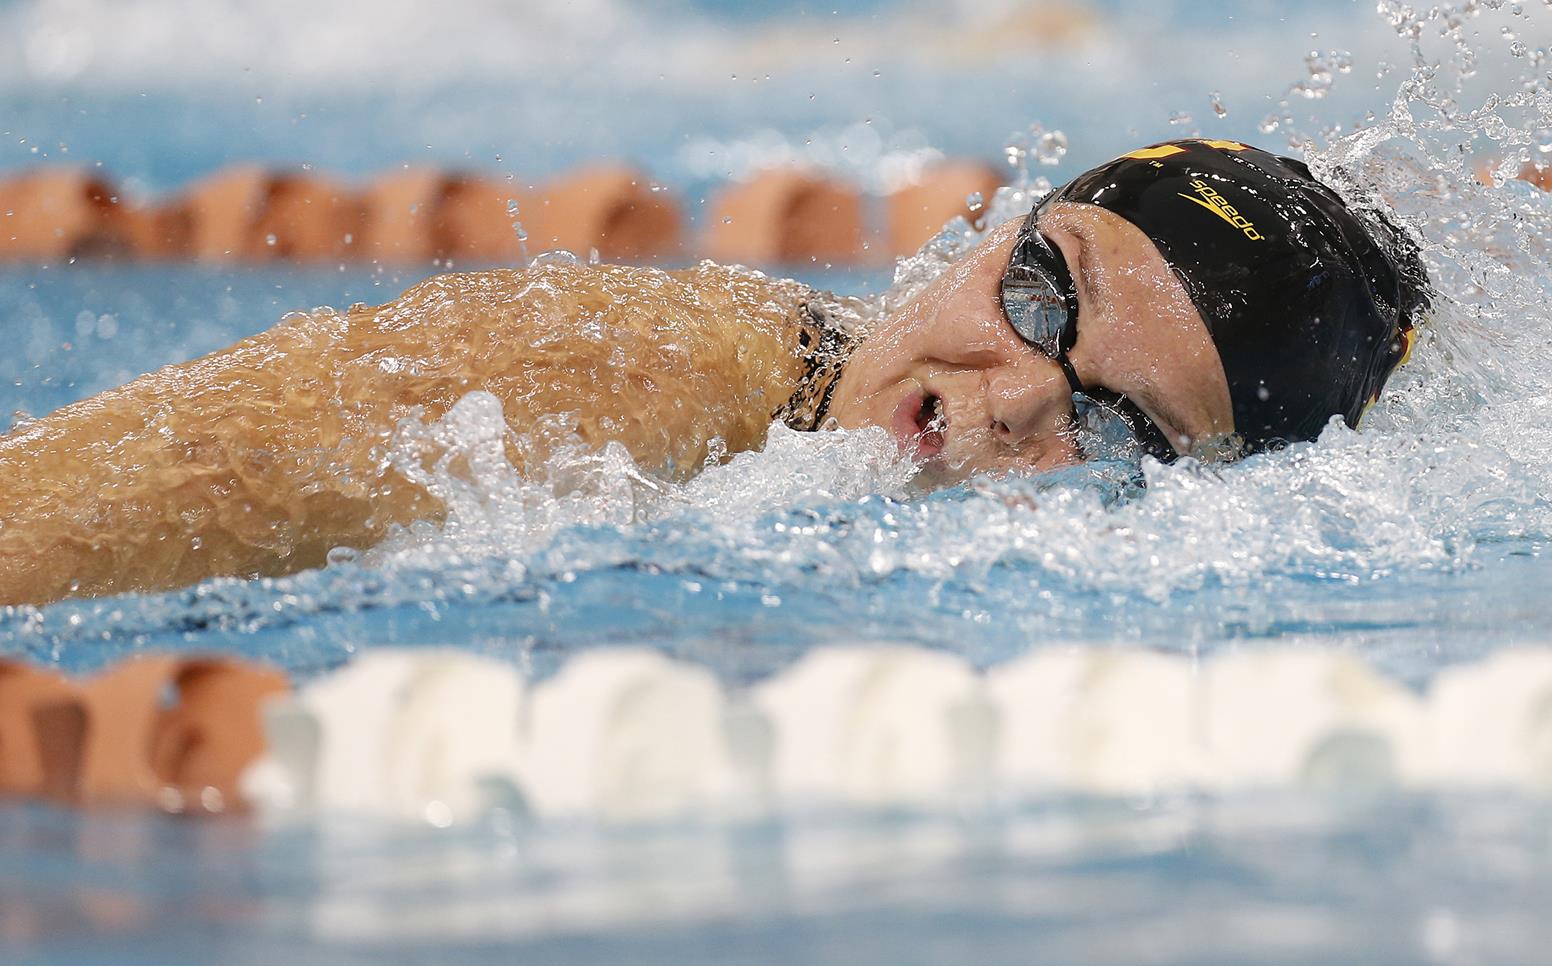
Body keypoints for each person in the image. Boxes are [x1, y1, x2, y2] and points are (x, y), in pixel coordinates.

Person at [0, 139, 1429, 606]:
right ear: (995, 232)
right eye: (1045, 295)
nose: (1012, 395)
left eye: (1124, 431)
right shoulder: (634, 378)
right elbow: (169, 495)